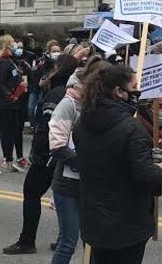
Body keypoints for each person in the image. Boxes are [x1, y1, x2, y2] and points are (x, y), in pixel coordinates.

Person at [73, 63, 162, 264]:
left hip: (94, 220)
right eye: (133, 88)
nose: (137, 93)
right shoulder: (132, 129)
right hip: (127, 225)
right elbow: (145, 176)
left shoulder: (82, 123)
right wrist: (159, 170)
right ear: (119, 92)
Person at [3, 54, 78, 255]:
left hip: (48, 155)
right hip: (62, 153)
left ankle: (27, 240)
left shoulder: (56, 94)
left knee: (32, 193)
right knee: (63, 196)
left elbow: (47, 128)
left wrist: (38, 152)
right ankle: (64, 237)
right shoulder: (69, 93)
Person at [48, 58, 101, 264]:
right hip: (67, 185)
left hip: (88, 184)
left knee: (90, 241)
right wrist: (82, 163)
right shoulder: (67, 105)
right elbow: (57, 146)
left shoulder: (93, 109)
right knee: (68, 241)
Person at [0, 34, 25, 174]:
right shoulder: (2, 62)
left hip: (13, 103)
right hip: (3, 103)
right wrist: (8, 94)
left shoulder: (11, 61)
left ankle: (8, 160)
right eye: (12, 43)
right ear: (7, 45)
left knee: (11, 132)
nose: (15, 45)